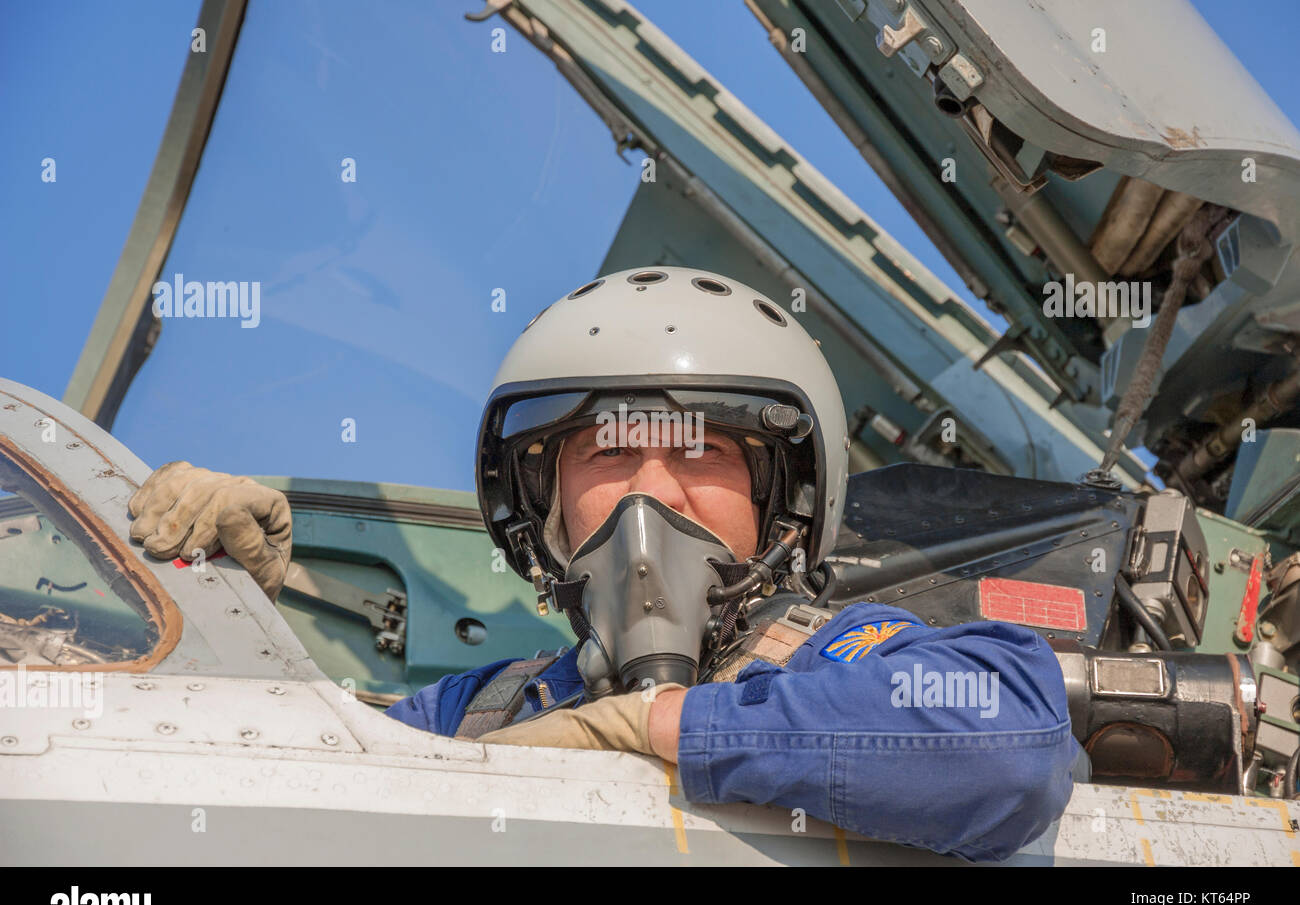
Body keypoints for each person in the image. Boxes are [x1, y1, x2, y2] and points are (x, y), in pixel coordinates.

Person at [127, 266, 1082, 862]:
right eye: (606, 453)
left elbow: (1009, 748)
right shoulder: (482, 711)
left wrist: (655, 724)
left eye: (701, 451)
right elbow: (273, 798)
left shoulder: (845, 656)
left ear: (786, 505)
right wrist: (230, 620)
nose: (648, 499)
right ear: (537, 506)